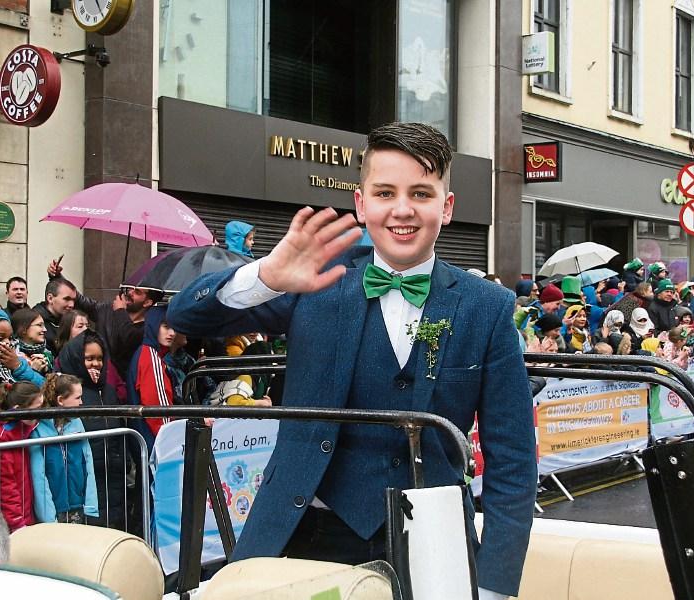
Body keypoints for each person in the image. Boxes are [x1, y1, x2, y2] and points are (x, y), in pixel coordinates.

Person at [168, 122, 536, 599]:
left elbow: (513, 460)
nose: (402, 209)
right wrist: (265, 276)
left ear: (446, 207)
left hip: (432, 544)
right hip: (303, 531)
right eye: (385, 192)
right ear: (362, 204)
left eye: (421, 194)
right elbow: (185, 315)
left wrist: (493, 585)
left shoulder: (486, 307)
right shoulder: (311, 284)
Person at [57, 330, 126, 530]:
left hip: (112, 470)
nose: (96, 363)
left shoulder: (110, 391)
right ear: (77, 358)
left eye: (99, 358)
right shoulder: (70, 393)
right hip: (84, 474)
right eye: (89, 358)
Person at [30, 373, 98, 524]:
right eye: (77, 398)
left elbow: (88, 463)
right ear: (61, 400)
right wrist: (48, 517)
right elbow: (38, 475)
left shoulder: (77, 423)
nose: (81, 402)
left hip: (77, 504)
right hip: (54, 508)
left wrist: (91, 503)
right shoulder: (39, 428)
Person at [126, 306, 176, 450]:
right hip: (155, 441)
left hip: (146, 438)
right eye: (166, 327)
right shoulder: (150, 356)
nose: (172, 333)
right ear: (154, 326)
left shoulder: (147, 354)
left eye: (174, 328)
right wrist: (169, 439)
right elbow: (158, 407)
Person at [0, 381, 44, 531]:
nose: (42, 414)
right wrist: (17, 522)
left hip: (27, 511)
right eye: (37, 409)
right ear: (18, 410)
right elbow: (6, 485)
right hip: (13, 521)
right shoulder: (4, 437)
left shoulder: (26, 428)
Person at [0, 309, 44, 386]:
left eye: (10, 338)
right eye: (0, 338)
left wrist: (18, 367)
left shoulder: (16, 360)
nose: (8, 343)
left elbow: (44, 387)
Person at [32, 277, 76, 354]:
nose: (71, 305)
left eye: (73, 300)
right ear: (50, 298)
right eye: (66, 299)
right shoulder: (33, 322)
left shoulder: (71, 320)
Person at [11, 309, 54, 377]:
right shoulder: (12, 357)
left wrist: (46, 371)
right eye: (39, 325)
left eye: (44, 325)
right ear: (23, 329)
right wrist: (33, 370)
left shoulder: (47, 354)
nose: (45, 329)